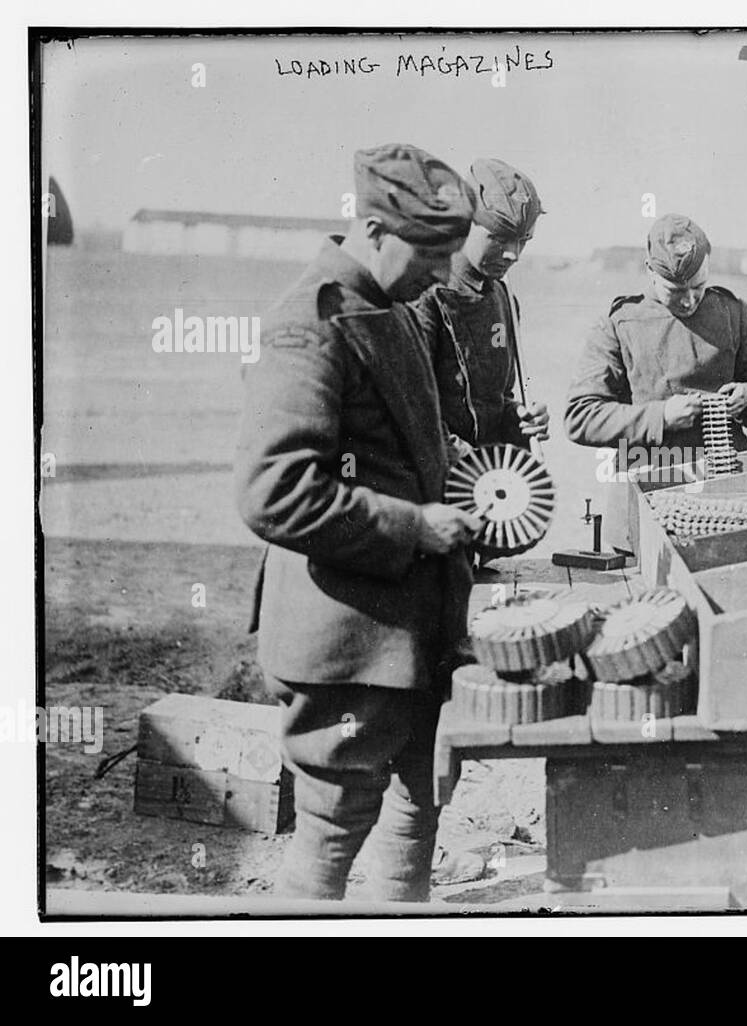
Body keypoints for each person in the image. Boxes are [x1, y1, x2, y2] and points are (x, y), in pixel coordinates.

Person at [233, 143, 481, 901]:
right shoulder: (311, 323)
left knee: (419, 804)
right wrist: (413, 526)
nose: (444, 273)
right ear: (374, 228)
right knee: (334, 832)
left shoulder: (395, 308)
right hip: (347, 644)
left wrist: (456, 460)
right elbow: (273, 491)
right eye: (431, 253)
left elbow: (394, 441)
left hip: (414, 635)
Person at [564, 213, 747, 552]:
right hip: (648, 486)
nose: (688, 301)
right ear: (649, 270)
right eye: (675, 291)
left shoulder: (733, 313)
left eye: (698, 287)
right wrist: (661, 417)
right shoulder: (619, 324)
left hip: (725, 489)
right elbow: (581, 417)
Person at [410, 158, 551, 462]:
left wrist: (521, 420)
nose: (513, 254)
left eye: (523, 240)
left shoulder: (503, 297)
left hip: (485, 482)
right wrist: (475, 468)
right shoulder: (422, 294)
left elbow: (498, 400)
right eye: (499, 239)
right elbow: (412, 416)